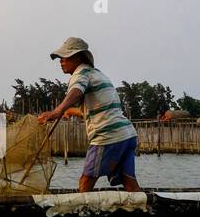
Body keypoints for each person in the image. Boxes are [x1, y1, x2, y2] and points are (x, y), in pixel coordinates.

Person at [37, 37, 141, 192]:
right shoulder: (97, 74)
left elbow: (76, 92)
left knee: (86, 181)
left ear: (77, 57)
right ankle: (143, 208)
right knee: (130, 183)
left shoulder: (80, 74)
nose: (61, 61)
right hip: (127, 135)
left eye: (64, 58)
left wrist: (56, 111)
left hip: (108, 136)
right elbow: (95, 110)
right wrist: (68, 111)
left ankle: (81, 212)